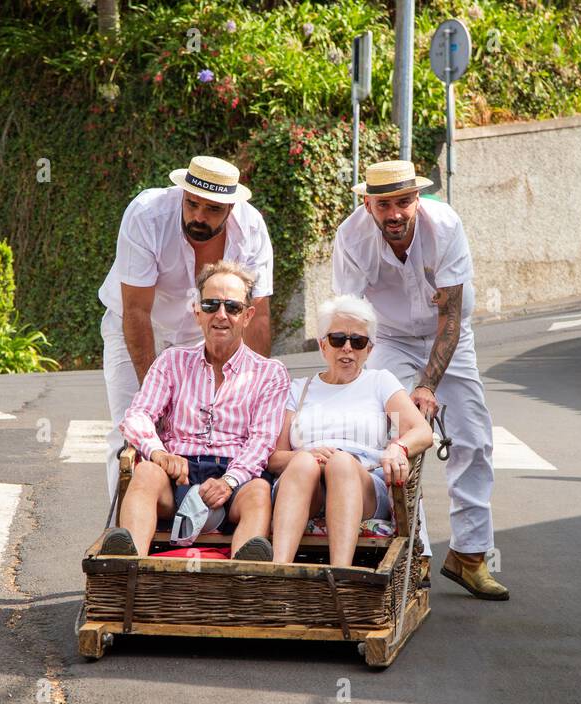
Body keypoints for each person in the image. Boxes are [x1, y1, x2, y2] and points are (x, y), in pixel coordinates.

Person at [330, 159, 508, 600]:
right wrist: (351, 380)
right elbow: (351, 316)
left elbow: (450, 317)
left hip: (446, 334)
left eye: (404, 202)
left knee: (472, 437)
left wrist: (427, 386)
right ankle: (416, 556)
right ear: (368, 204)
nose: (395, 214)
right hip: (386, 337)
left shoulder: (445, 225)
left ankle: (469, 556)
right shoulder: (351, 238)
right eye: (384, 204)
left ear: (417, 200)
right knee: (392, 440)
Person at [96, 155, 274, 496]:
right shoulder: (147, 215)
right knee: (133, 431)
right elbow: (135, 311)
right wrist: (156, 398)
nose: (198, 216)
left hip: (202, 331)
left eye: (212, 210)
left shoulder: (251, 230)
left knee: (207, 435)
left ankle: (195, 523)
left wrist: (251, 385)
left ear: (231, 208)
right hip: (135, 325)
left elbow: (258, 314)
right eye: (192, 204)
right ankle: (124, 534)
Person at [101, 261, 289, 561]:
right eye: (212, 304)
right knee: (146, 472)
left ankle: (245, 580)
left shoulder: (270, 373)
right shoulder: (172, 361)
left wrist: (229, 481)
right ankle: (129, 568)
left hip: (236, 474)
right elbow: (137, 415)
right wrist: (159, 453)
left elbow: (262, 442)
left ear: (248, 316)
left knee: (258, 493)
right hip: (178, 472)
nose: (221, 315)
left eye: (233, 307)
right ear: (197, 311)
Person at [267, 295, 433, 567]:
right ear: (322, 345)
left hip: (361, 483)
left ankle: (340, 571)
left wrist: (397, 446)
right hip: (304, 486)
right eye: (338, 339)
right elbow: (275, 458)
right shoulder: (299, 388)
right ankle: (279, 572)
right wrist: (306, 453)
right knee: (303, 462)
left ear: (369, 349)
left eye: (358, 342)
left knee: (342, 462)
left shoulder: (379, 381)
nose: (347, 348)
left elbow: (421, 431)